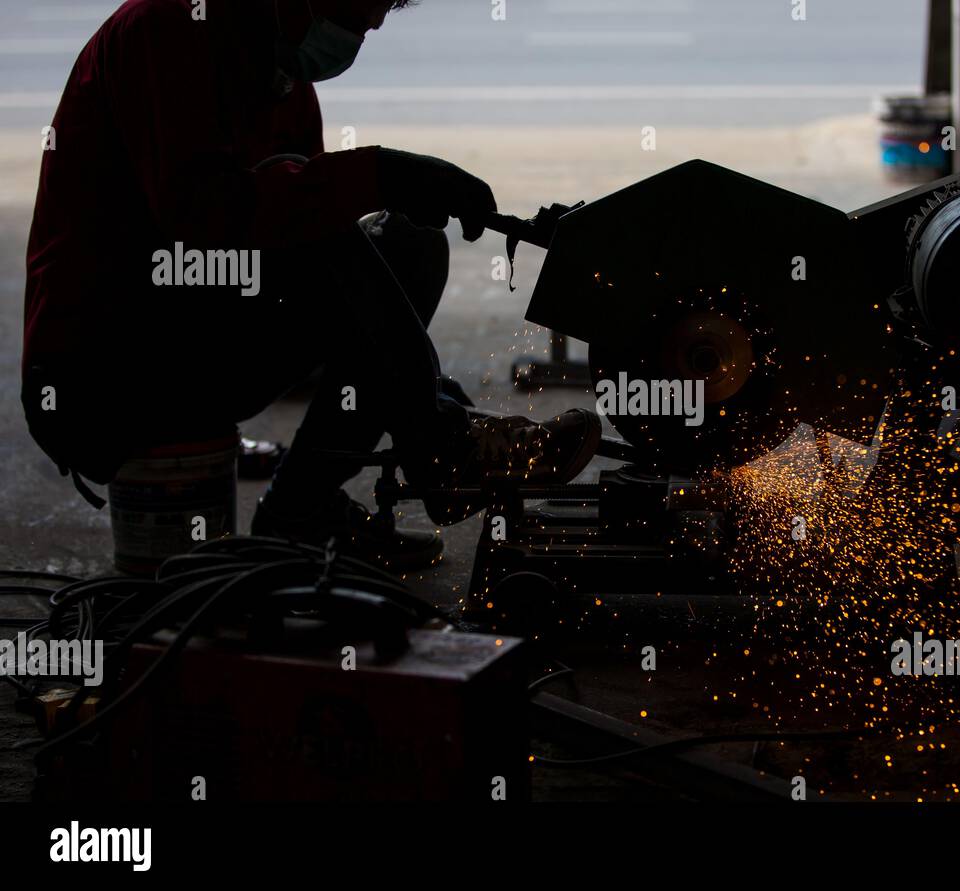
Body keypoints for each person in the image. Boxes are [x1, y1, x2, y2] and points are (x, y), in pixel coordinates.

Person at [21, 0, 601, 569]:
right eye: (357, 11)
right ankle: (445, 450)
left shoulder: (283, 77)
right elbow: (207, 215)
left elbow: (329, 282)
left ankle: (303, 511)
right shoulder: (162, 29)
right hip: (96, 380)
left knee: (408, 245)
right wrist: (382, 174)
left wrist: (417, 385)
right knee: (325, 239)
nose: (371, 23)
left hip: (185, 340)